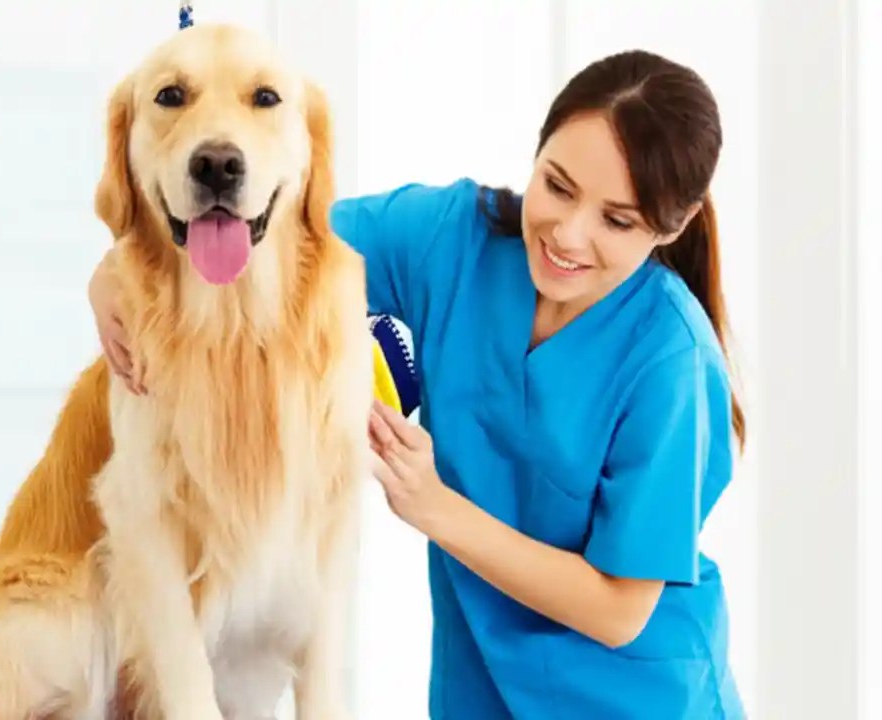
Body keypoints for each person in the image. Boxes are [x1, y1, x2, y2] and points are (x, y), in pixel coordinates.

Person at [87, 48, 746, 719]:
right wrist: (112, 269)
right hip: (479, 692)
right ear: (537, 151)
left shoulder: (673, 360)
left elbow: (619, 609)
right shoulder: (455, 239)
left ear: (674, 223)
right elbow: (272, 228)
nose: (568, 234)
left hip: (640, 701)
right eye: (558, 185)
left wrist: (436, 508)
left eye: (617, 220)